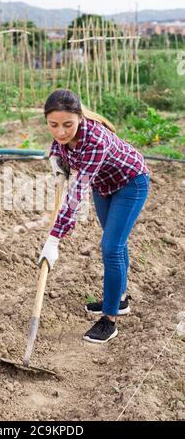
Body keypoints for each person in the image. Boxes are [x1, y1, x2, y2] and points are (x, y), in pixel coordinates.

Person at [38, 89, 150, 344]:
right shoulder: (62, 136)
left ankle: (109, 321)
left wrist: (54, 239)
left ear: (79, 118)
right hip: (104, 186)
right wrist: (55, 159)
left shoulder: (95, 140)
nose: (60, 131)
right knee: (115, 244)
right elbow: (57, 146)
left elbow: (76, 195)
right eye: (53, 125)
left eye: (67, 125)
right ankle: (119, 299)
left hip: (131, 183)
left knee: (111, 247)